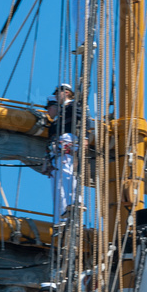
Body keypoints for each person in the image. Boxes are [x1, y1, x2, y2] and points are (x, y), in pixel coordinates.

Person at [46, 84, 91, 221]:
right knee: (58, 185)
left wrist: (85, 138)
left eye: (58, 93)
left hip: (67, 143)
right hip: (56, 151)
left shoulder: (72, 106)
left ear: (66, 93)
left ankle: (76, 202)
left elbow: (84, 120)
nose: (56, 96)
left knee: (68, 174)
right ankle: (62, 215)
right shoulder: (59, 116)